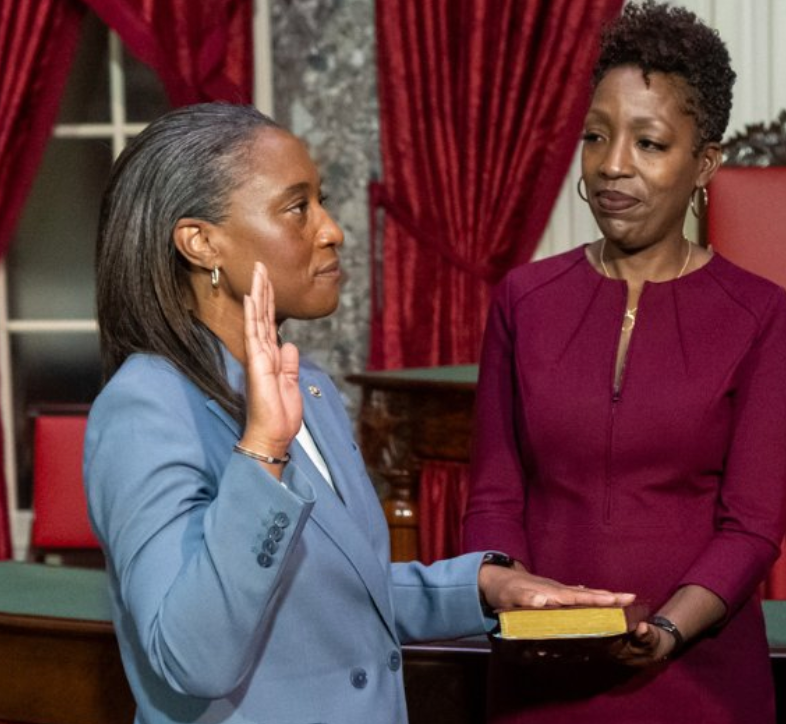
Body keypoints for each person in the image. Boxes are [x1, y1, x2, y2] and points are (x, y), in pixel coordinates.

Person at [84, 102, 631, 724]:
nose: (331, 229)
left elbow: (331, 592)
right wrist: (263, 448)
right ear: (201, 241)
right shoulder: (146, 407)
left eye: (321, 201)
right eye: (297, 207)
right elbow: (190, 658)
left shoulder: (306, 385)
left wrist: (483, 587)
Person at [462, 2, 786, 723]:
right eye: (596, 136)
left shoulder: (762, 314)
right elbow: (492, 495)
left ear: (704, 164)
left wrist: (668, 628)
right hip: (539, 673)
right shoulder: (522, 298)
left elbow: (754, 524)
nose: (613, 165)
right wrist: (519, 602)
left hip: (699, 679)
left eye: (650, 143)